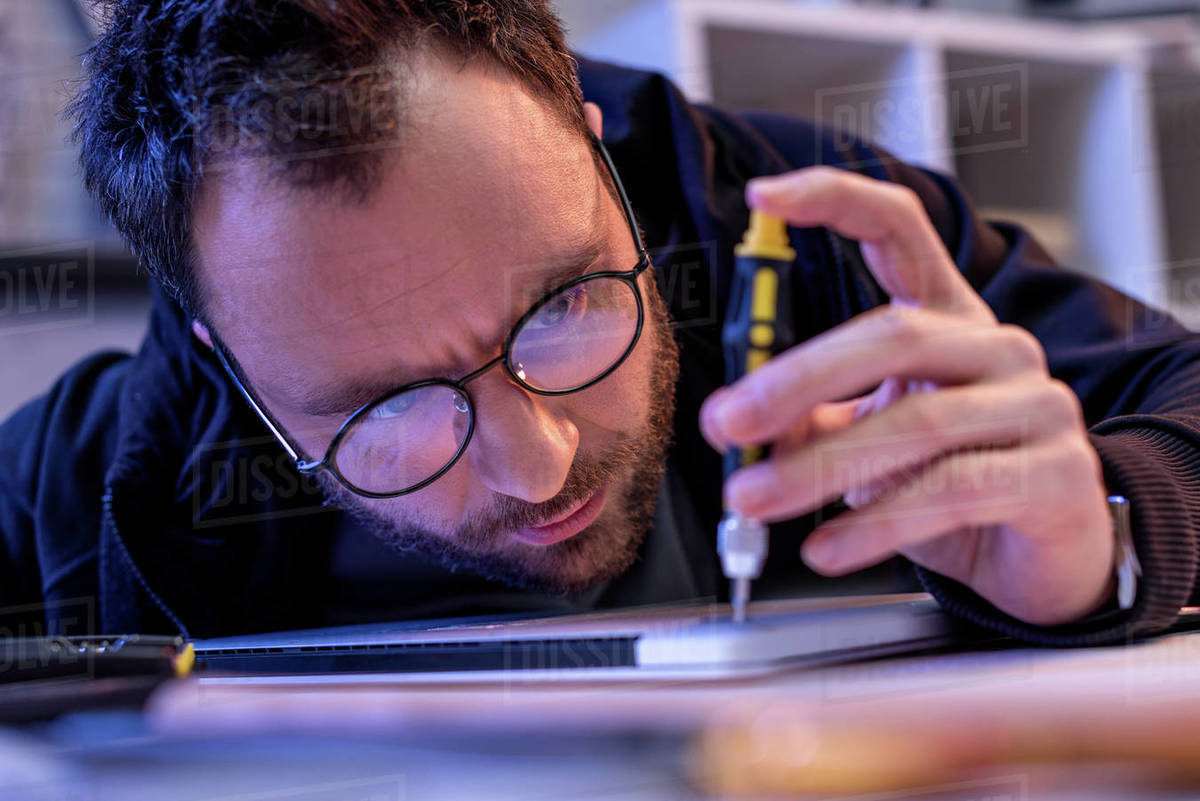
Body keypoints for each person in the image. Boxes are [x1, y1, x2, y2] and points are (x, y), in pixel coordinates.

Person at [1, 0, 1197, 646]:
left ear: (591, 138)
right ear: (230, 362)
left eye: (564, 306)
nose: (542, 463)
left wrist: (1115, 520)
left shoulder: (814, 226)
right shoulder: (99, 479)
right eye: (382, 409)